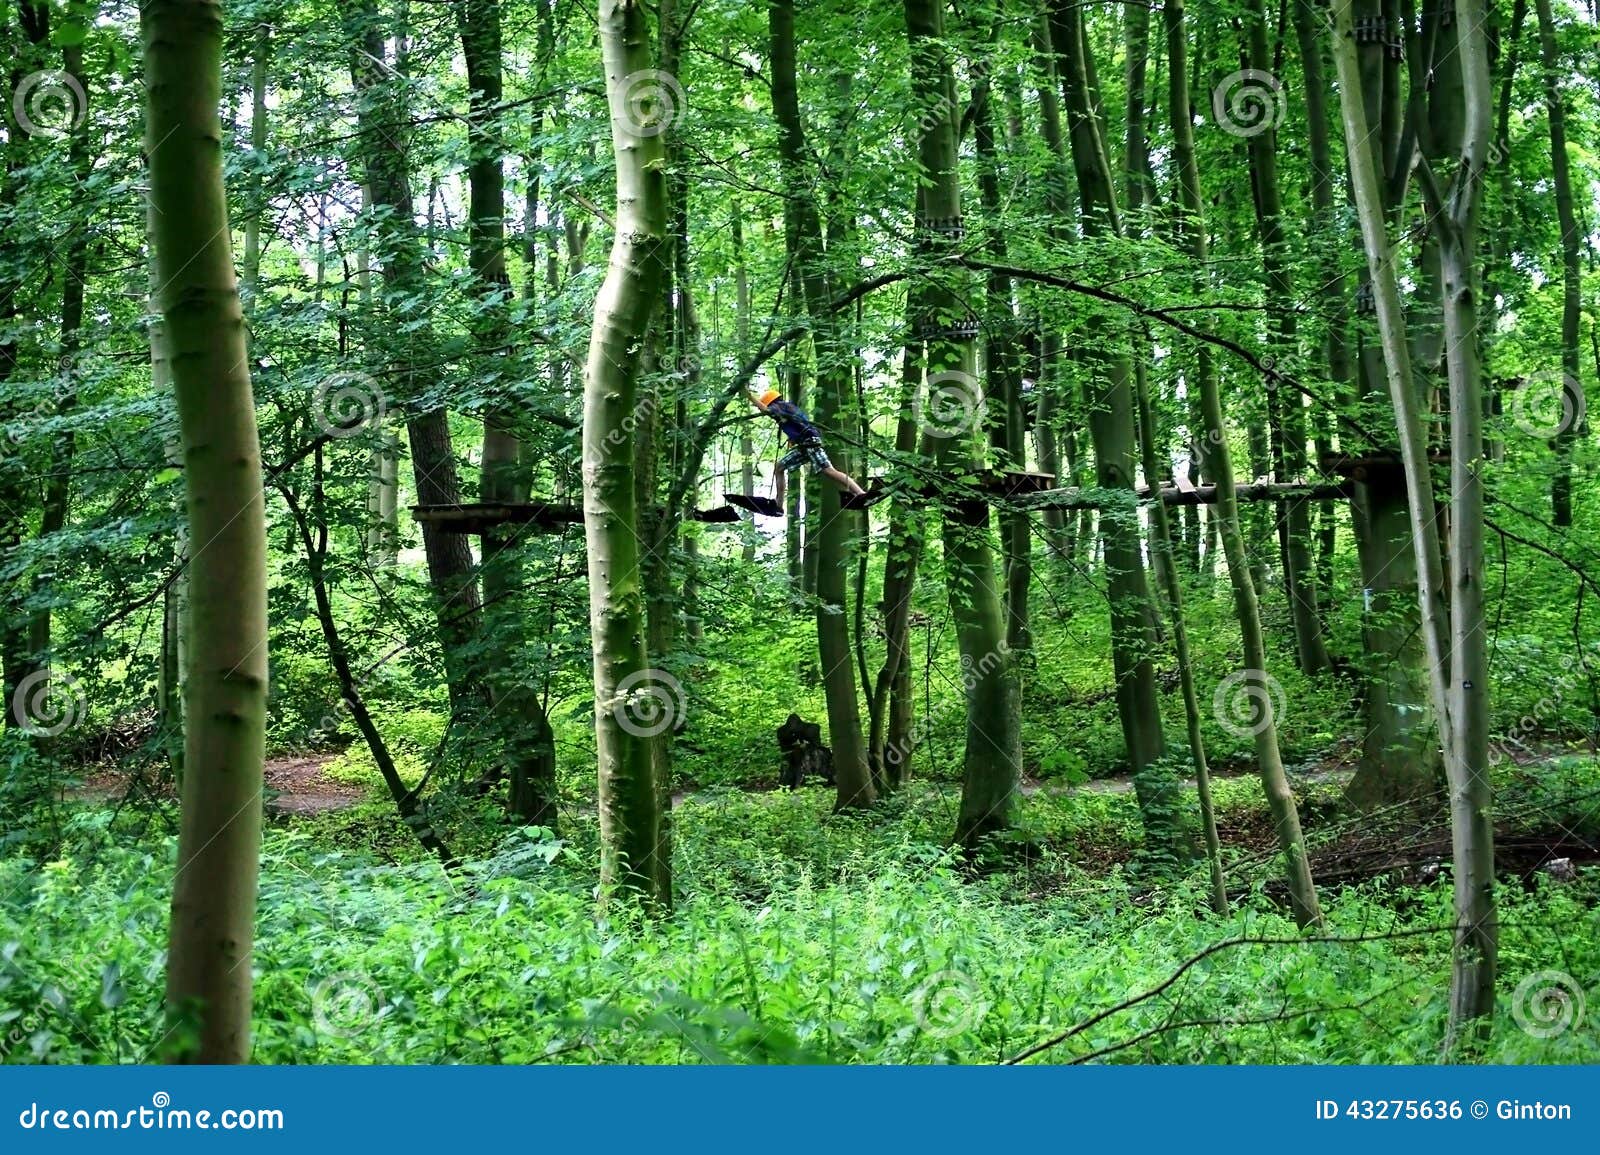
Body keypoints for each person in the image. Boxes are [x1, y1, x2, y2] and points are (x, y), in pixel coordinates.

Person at [748, 387, 867, 506]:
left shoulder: (777, 407)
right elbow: (798, 424)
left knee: (828, 470)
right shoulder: (786, 408)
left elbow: (766, 410)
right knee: (779, 467)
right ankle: (778, 506)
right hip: (804, 444)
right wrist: (793, 438)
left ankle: (860, 493)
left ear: (770, 403)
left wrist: (749, 397)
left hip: (809, 442)